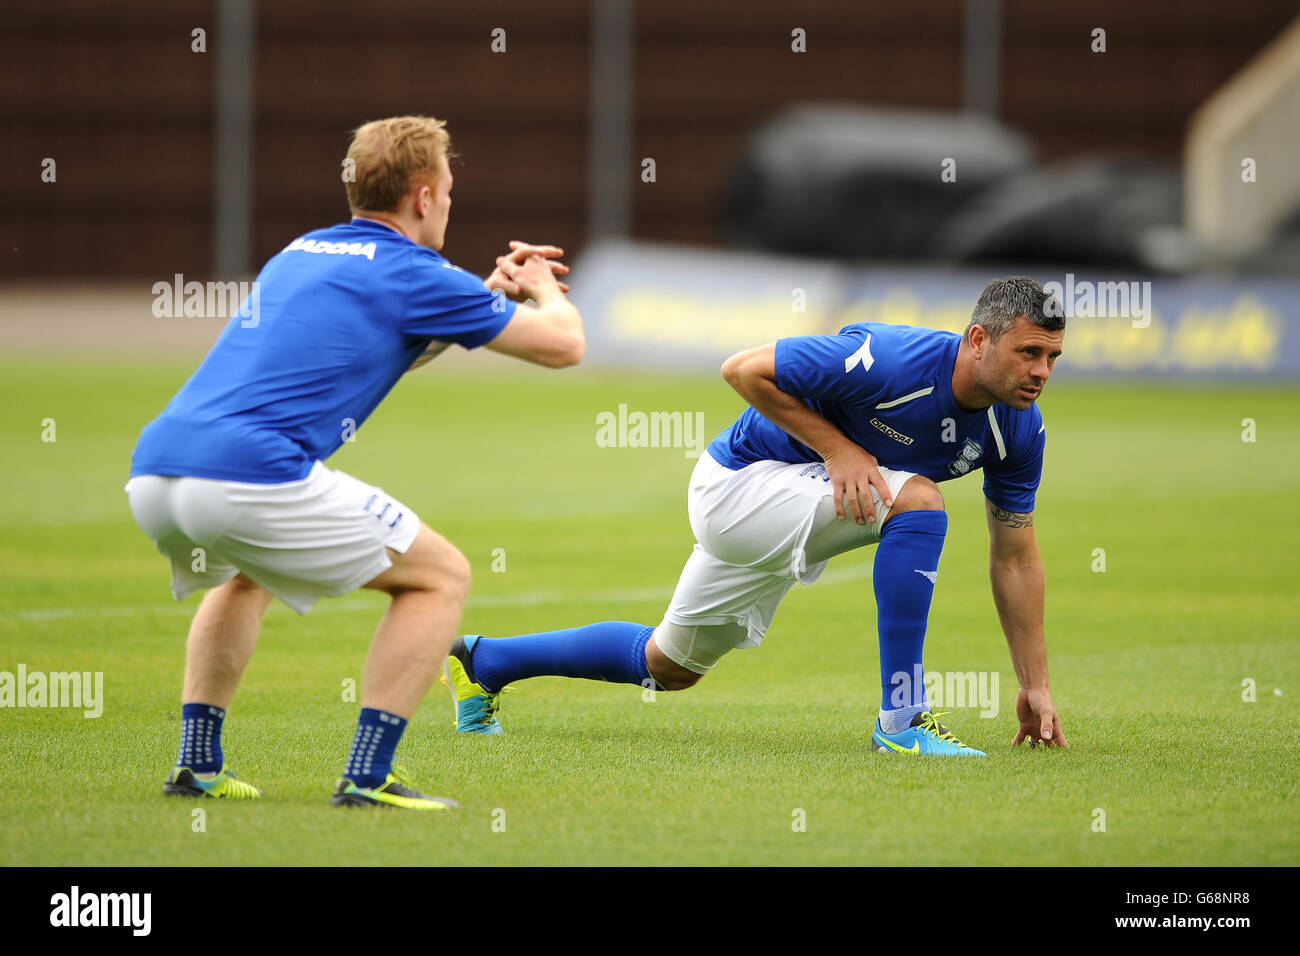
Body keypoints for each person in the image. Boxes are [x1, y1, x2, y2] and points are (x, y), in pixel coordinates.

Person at [126, 115, 583, 809]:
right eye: (449, 191)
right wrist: (542, 286)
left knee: (247, 577)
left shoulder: (301, 251)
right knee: (441, 577)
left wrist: (484, 298)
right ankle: (369, 777)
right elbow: (563, 346)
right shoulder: (417, 272)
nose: (451, 203)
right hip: (249, 473)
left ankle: (198, 765)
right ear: (424, 197)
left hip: (157, 470)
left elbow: (395, 338)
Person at [444, 276, 1070, 756]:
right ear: (979, 339)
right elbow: (742, 369)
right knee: (919, 503)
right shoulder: (889, 358)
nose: (1041, 372)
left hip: (788, 504)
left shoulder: (1018, 430)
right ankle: (902, 721)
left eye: (1052, 358)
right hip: (737, 487)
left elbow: (1016, 556)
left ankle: (485, 662)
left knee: (668, 666)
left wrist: (1034, 683)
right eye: (1029, 352)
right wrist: (840, 449)